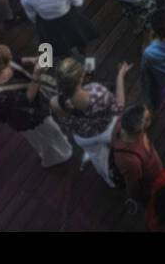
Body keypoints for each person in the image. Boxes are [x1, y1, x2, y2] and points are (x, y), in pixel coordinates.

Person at [0, 44, 72, 168]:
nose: (12, 58)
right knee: (45, 135)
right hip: (28, 117)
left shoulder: (2, 63)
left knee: (52, 131)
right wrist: (37, 75)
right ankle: (56, 156)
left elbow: (19, 61)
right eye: (8, 59)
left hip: (35, 106)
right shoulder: (1, 94)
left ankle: (59, 146)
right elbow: (27, 99)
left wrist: (34, 60)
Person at [49, 57, 129, 188]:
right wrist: (120, 75)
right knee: (122, 147)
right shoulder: (96, 91)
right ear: (80, 78)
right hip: (107, 130)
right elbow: (119, 108)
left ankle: (110, 181)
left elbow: (64, 123)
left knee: (98, 158)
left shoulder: (54, 102)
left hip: (83, 137)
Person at [110, 104, 163, 204]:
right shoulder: (129, 160)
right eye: (147, 118)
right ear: (140, 130)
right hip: (151, 184)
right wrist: (138, 198)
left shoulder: (122, 123)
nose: (151, 116)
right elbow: (133, 186)